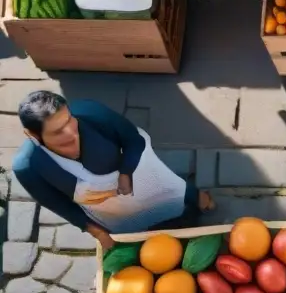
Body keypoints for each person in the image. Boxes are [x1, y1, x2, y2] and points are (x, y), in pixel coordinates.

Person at [12, 90, 214, 250]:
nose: (71, 133)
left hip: (137, 175)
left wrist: (126, 172)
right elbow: (58, 204)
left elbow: (134, 140)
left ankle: (197, 197)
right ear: (33, 135)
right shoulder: (28, 167)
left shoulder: (92, 113)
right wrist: (96, 232)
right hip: (104, 206)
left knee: (169, 189)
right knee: (136, 233)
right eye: (58, 132)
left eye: (69, 121)